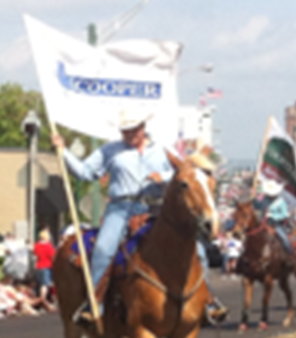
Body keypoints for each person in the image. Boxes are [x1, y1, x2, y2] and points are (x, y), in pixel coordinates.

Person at [53, 111, 225, 326]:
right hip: (121, 208)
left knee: (197, 249)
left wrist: (162, 177)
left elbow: (185, 173)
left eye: (134, 129)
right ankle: (95, 303)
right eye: (125, 130)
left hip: (156, 208)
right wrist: (63, 151)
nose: (129, 134)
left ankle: (207, 300)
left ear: (144, 127)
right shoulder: (110, 150)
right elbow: (85, 173)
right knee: (104, 249)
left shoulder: (163, 151)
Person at [258, 179, 294, 255]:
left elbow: (284, 214)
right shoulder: (265, 200)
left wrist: (272, 215)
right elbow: (261, 211)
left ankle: (290, 254)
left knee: (285, 239)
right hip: (264, 224)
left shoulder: (281, 202)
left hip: (277, 225)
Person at [33, 229, 56, 302]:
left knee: (39, 284)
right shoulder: (49, 246)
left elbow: (35, 254)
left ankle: (40, 298)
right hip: (47, 266)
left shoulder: (36, 245)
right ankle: (43, 299)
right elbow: (52, 256)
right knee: (45, 284)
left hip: (38, 266)